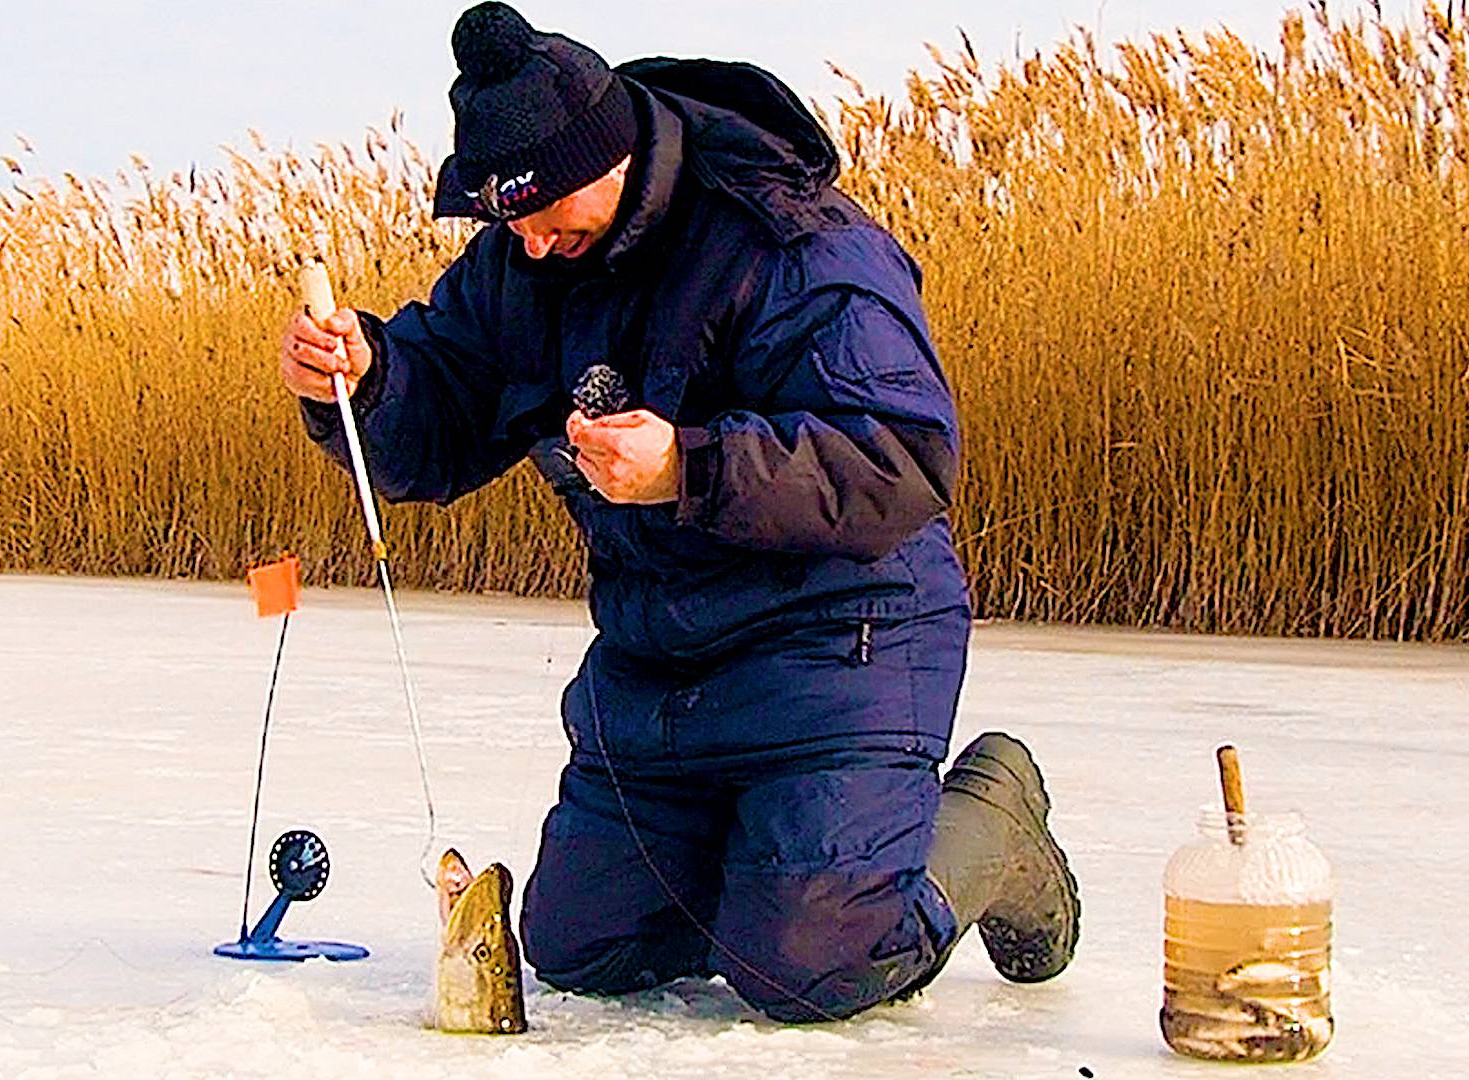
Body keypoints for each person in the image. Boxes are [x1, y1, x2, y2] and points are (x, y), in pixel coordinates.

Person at [276, 1, 1079, 1022]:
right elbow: (436, 426)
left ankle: (988, 820)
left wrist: (690, 469)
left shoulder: (791, 241)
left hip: (840, 640)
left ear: (610, 153)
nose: (529, 241)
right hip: (659, 664)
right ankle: (766, 877)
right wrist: (364, 377)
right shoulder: (523, 262)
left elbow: (902, 458)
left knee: (810, 966)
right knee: (583, 946)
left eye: (548, 210)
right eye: (507, 219)